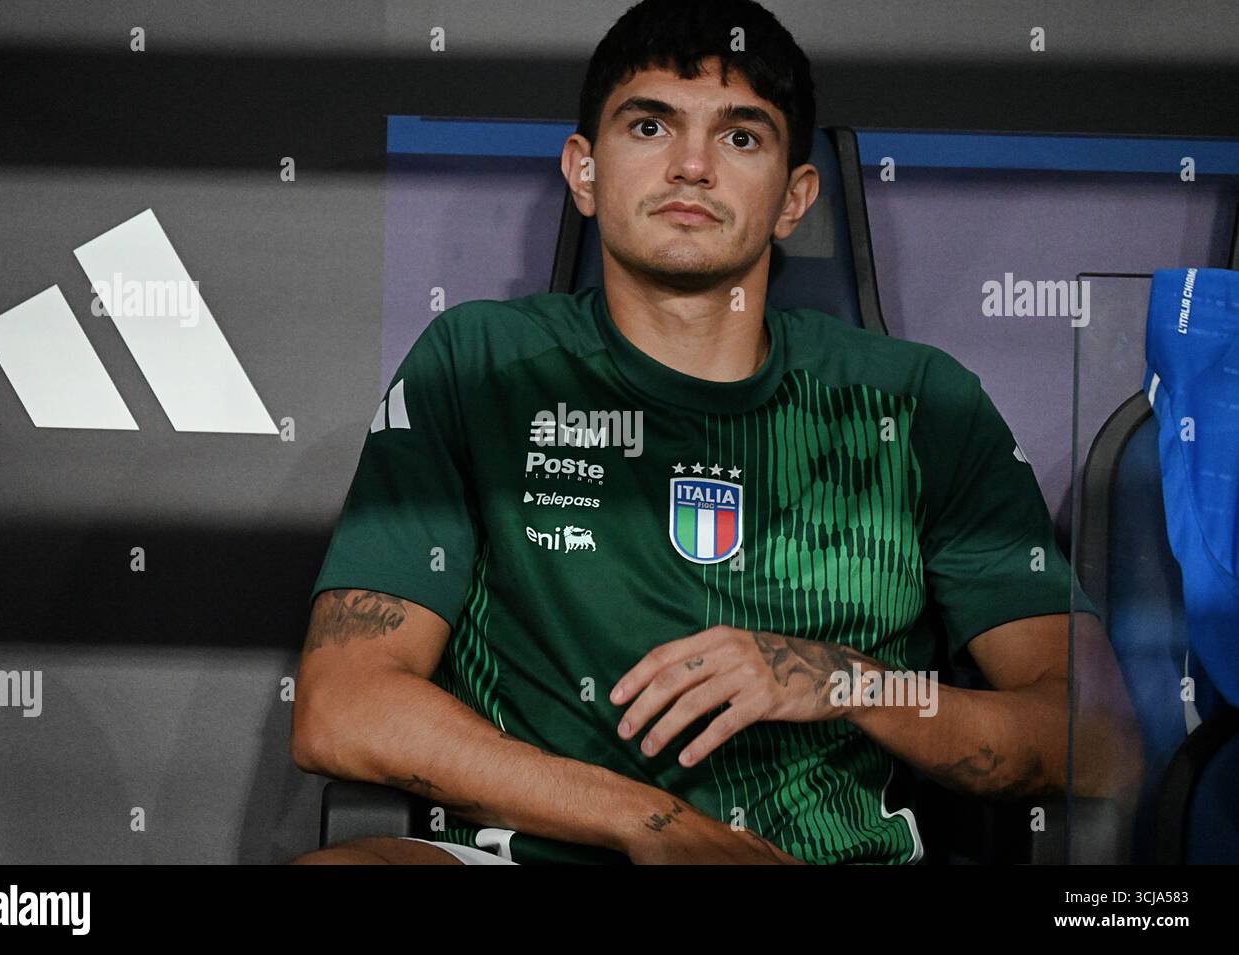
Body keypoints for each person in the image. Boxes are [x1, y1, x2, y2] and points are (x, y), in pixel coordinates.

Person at [289, 0, 1140, 865]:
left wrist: (841, 679)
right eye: (651, 124)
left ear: (795, 199)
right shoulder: (478, 364)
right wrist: (650, 821)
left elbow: (1096, 736)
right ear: (583, 172)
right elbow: (344, 705)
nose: (692, 166)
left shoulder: (924, 403)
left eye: (741, 137)